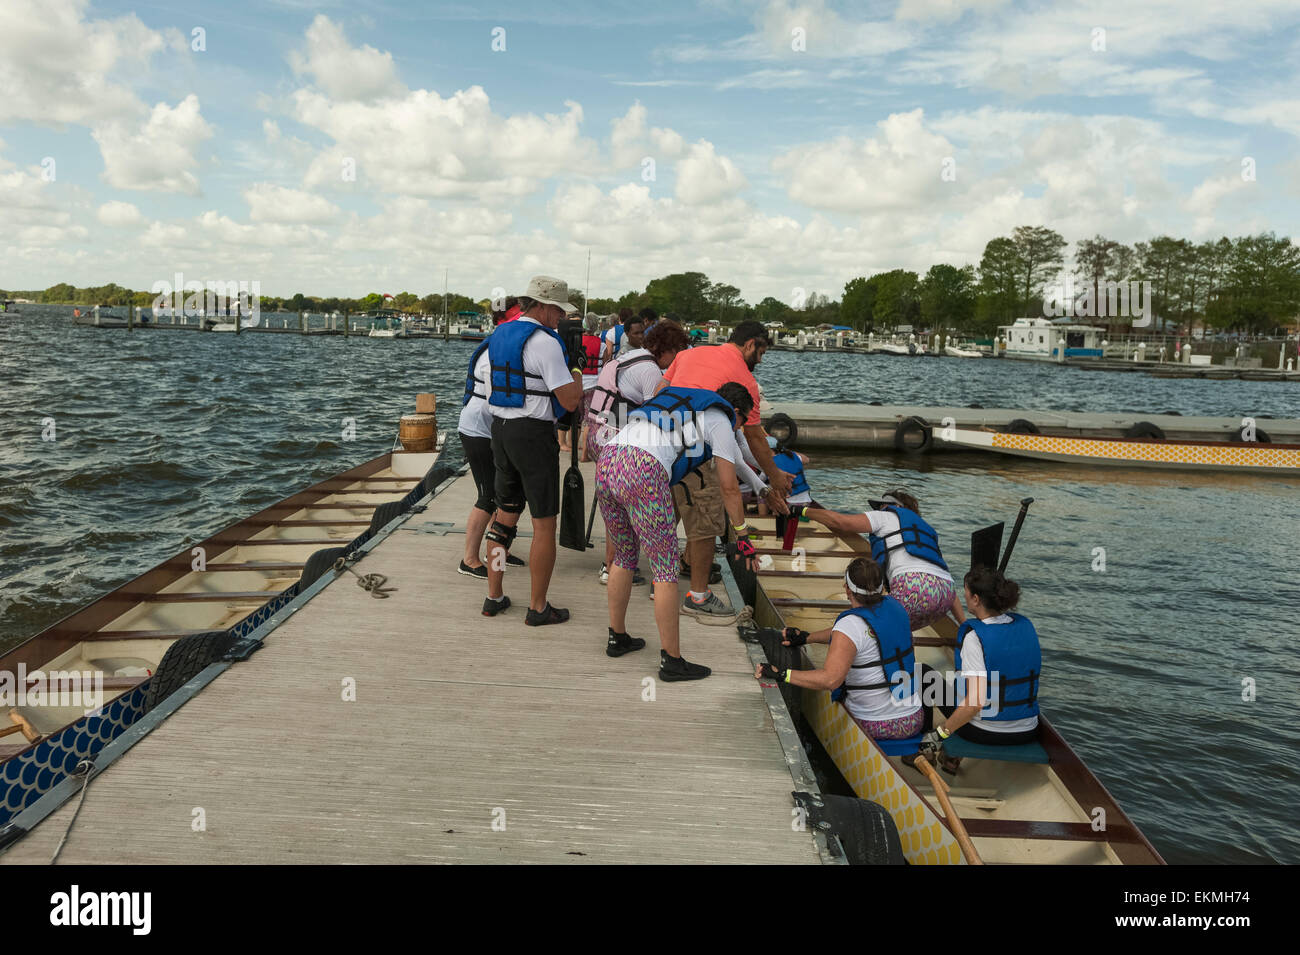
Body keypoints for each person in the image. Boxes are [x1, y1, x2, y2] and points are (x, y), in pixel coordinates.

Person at [596, 381, 775, 679]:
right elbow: (730, 488)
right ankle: (672, 662)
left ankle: (617, 637)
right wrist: (742, 535)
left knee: (625, 556)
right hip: (643, 467)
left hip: (609, 460)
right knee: (666, 570)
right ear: (737, 412)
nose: (738, 430)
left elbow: (740, 463)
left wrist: (763, 488)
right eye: (741, 423)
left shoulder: (692, 405)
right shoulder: (721, 418)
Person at [657, 320, 793, 621]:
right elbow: (754, 439)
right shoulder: (745, 381)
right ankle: (698, 596)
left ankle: (662, 580)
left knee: (669, 515)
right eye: (761, 353)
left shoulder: (689, 354)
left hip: (664, 445)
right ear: (750, 344)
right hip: (698, 452)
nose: (760, 361)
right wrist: (775, 477)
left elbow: (661, 389)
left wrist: (763, 487)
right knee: (706, 525)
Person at [481, 275, 585, 625]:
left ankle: (494, 596)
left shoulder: (500, 334)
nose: (559, 317)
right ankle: (538, 606)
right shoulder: (545, 342)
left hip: (502, 430)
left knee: (503, 517)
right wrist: (577, 367)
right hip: (533, 435)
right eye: (557, 310)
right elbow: (570, 400)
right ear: (540, 305)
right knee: (543, 525)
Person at [756, 556, 922, 740]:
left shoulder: (850, 625)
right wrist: (806, 638)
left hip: (875, 724)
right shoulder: (897, 607)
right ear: (881, 587)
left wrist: (781, 674)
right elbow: (852, 635)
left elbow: (830, 681)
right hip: (913, 718)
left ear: (847, 589)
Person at [586, 320, 694, 583]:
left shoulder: (630, 357)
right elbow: (655, 415)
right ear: (664, 348)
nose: (675, 360)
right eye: (676, 352)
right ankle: (612, 566)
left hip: (596, 433)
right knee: (629, 503)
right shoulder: (651, 371)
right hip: (613, 439)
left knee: (618, 504)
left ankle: (617, 563)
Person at [790, 489, 959, 630]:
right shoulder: (926, 529)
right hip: (945, 596)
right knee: (897, 631)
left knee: (863, 628)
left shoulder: (885, 516)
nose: (879, 508)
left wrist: (801, 510)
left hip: (912, 590)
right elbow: (940, 573)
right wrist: (963, 625)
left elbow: (841, 522)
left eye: (883, 505)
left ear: (897, 506)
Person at [932, 566, 1041, 772]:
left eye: (965, 592)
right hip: (1028, 730)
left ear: (975, 599)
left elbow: (974, 704)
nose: (963, 596)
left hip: (986, 732)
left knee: (924, 677)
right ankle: (952, 758)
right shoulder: (1025, 625)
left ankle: (930, 747)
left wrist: (940, 734)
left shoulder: (974, 639)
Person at [456, 335, 524, 577]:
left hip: (492, 430)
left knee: (504, 494)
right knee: (488, 496)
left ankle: (497, 549)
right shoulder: (491, 355)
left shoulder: (501, 351)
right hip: (476, 429)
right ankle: (469, 559)